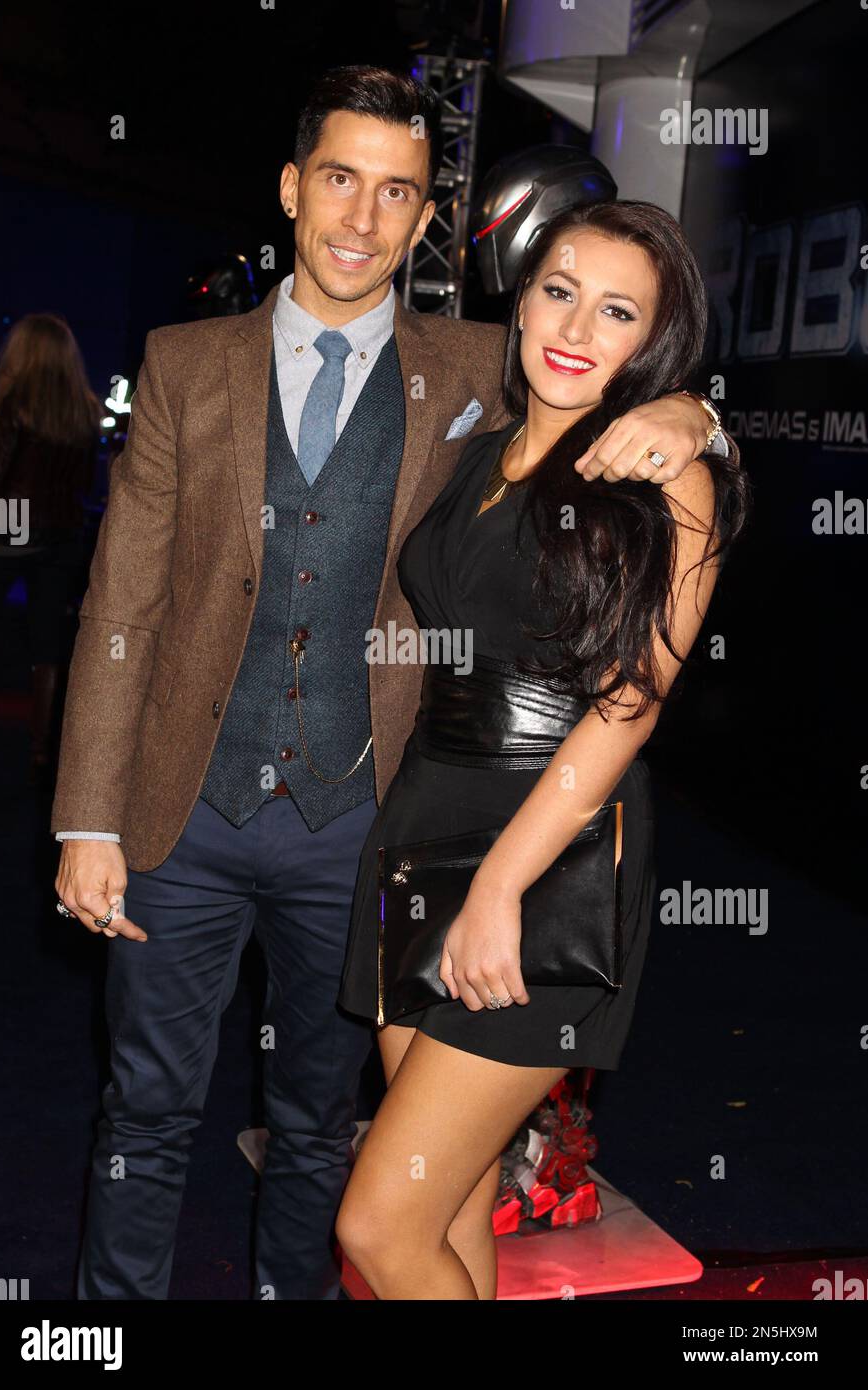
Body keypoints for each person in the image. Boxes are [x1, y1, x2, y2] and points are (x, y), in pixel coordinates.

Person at [50, 66, 737, 1302]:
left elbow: (639, 384)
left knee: (334, 1148)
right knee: (146, 1114)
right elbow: (122, 604)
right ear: (290, 189)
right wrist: (87, 816)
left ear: (429, 220)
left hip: (365, 826)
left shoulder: (484, 361)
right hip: (192, 814)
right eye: (339, 181)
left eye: (399, 194)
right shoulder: (186, 362)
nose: (362, 220)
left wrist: (699, 420)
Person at [335, 199, 750, 1300]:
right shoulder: (477, 449)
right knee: (451, 1205)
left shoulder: (669, 478)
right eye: (559, 289)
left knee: (380, 1223)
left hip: (548, 863)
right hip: (422, 832)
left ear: (649, 346)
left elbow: (629, 708)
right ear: (518, 297)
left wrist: (700, 420)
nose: (577, 325)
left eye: (618, 311)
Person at [0, 314, 100, 779]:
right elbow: (87, 482)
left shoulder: (12, 409)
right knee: (47, 645)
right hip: (62, 533)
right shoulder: (85, 410)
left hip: (6, 530)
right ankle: (41, 749)